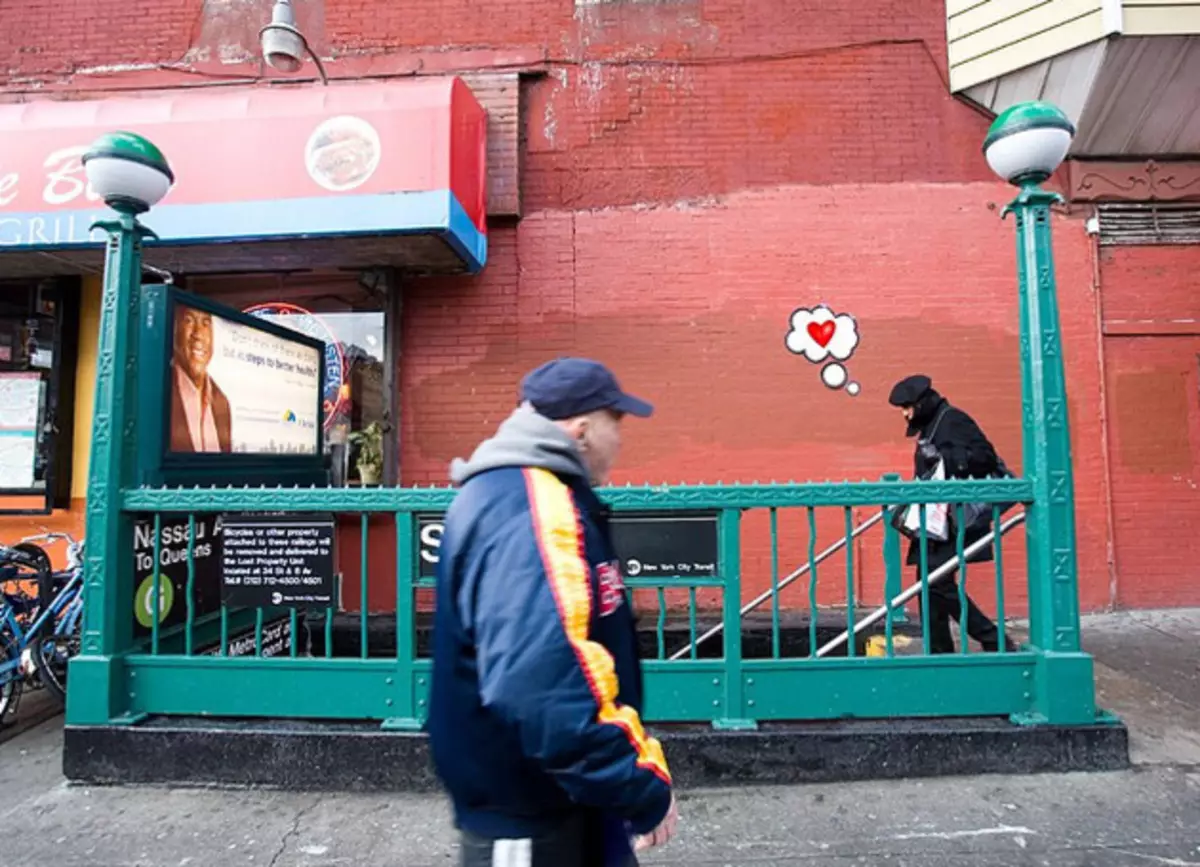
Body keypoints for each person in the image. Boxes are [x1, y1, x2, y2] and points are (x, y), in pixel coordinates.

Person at [429, 357, 677, 867]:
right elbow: (539, 681)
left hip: (562, 798)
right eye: (617, 423)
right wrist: (637, 783)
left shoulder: (516, 493)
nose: (622, 440)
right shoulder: (534, 506)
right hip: (531, 811)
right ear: (581, 429)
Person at [888, 374, 1016, 654]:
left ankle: (993, 639)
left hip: (955, 520)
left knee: (937, 582)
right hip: (935, 522)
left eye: (907, 407)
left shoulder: (952, 419)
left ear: (921, 404)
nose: (905, 414)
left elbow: (985, 458)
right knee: (928, 585)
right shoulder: (933, 426)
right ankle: (939, 652)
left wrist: (948, 458)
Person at [169, 305, 232, 453]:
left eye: (205, 324)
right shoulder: (160, 392)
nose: (198, 334)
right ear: (175, 330)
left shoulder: (222, 402)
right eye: (189, 321)